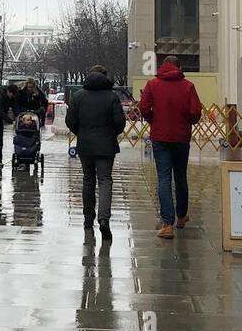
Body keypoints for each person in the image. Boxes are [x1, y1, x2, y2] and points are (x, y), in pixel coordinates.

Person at [139, 54, 203, 240]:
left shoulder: (152, 85)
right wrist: (188, 122)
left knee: (164, 178)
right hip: (181, 137)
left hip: (160, 137)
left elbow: (144, 107)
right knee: (181, 176)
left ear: (162, 66)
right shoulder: (188, 86)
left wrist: (154, 120)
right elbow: (195, 111)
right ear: (179, 67)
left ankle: (168, 223)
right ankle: (181, 216)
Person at [66, 65, 126, 240]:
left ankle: (87, 219)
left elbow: (70, 120)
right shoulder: (112, 97)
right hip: (107, 145)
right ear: (105, 77)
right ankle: (104, 219)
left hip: (85, 144)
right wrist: (110, 134)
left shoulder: (78, 96)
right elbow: (120, 122)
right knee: (105, 180)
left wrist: (81, 133)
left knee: (88, 180)